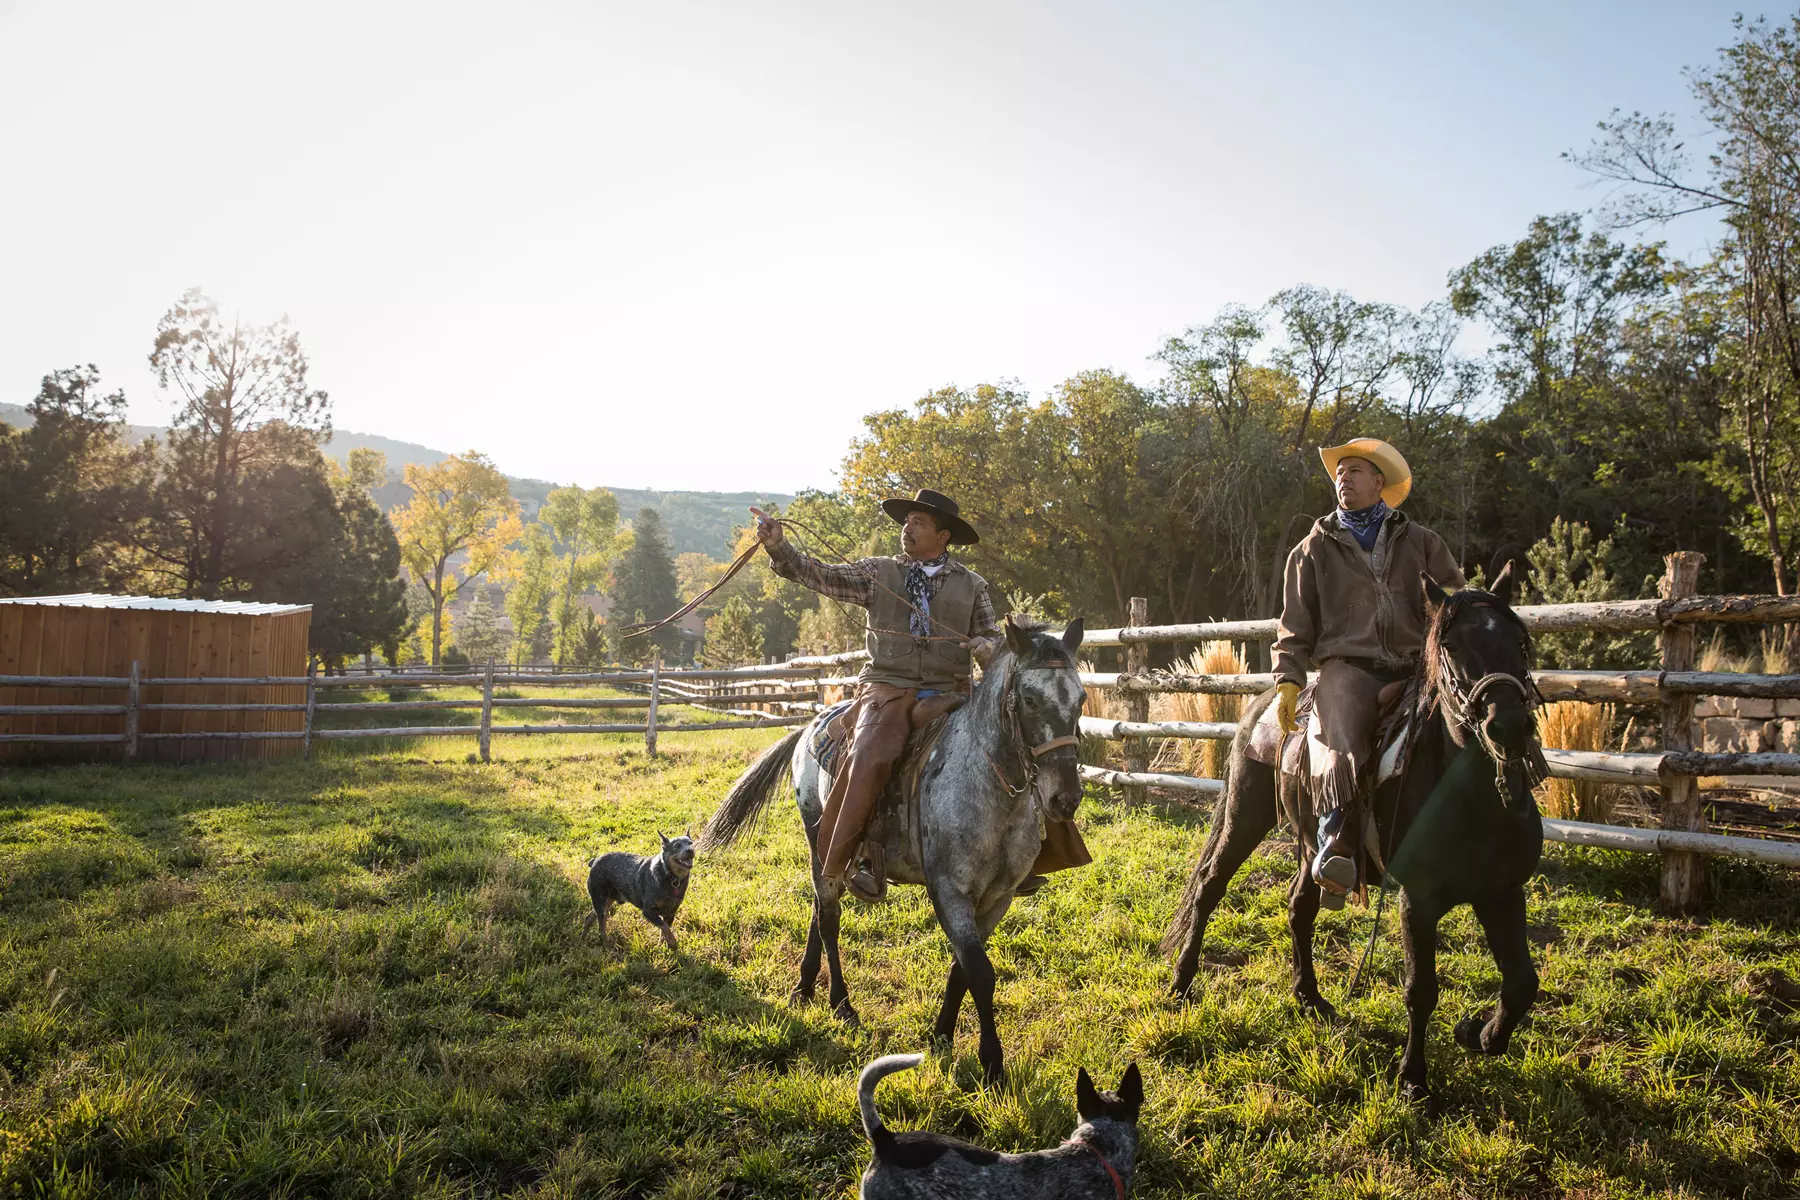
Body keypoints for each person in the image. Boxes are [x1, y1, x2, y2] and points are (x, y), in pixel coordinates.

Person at [752, 489, 1087, 902]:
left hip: (951, 692)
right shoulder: (878, 573)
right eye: (906, 521)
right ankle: (853, 858)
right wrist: (780, 547)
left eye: (918, 523)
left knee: (1017, 741)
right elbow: (819, 575)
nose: (906, 528)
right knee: (874, 751)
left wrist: (985, 647)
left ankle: (1026, 855)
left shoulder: (972, 585)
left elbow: (991, 640)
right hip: (888, 691)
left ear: (943, 536)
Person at [1272, 439, 1465, 901]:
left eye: (1355, 471)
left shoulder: (1422, 541)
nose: (1344, 479)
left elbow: (1455, 600)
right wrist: (1288, 681)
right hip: (1348, 666)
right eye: (1340, 473)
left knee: (1469, 725)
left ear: (1380, 482)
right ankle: (1335, 843)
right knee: (1341, 735)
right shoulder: (1311, 549)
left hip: (1418, 664)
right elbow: (1295, 625)